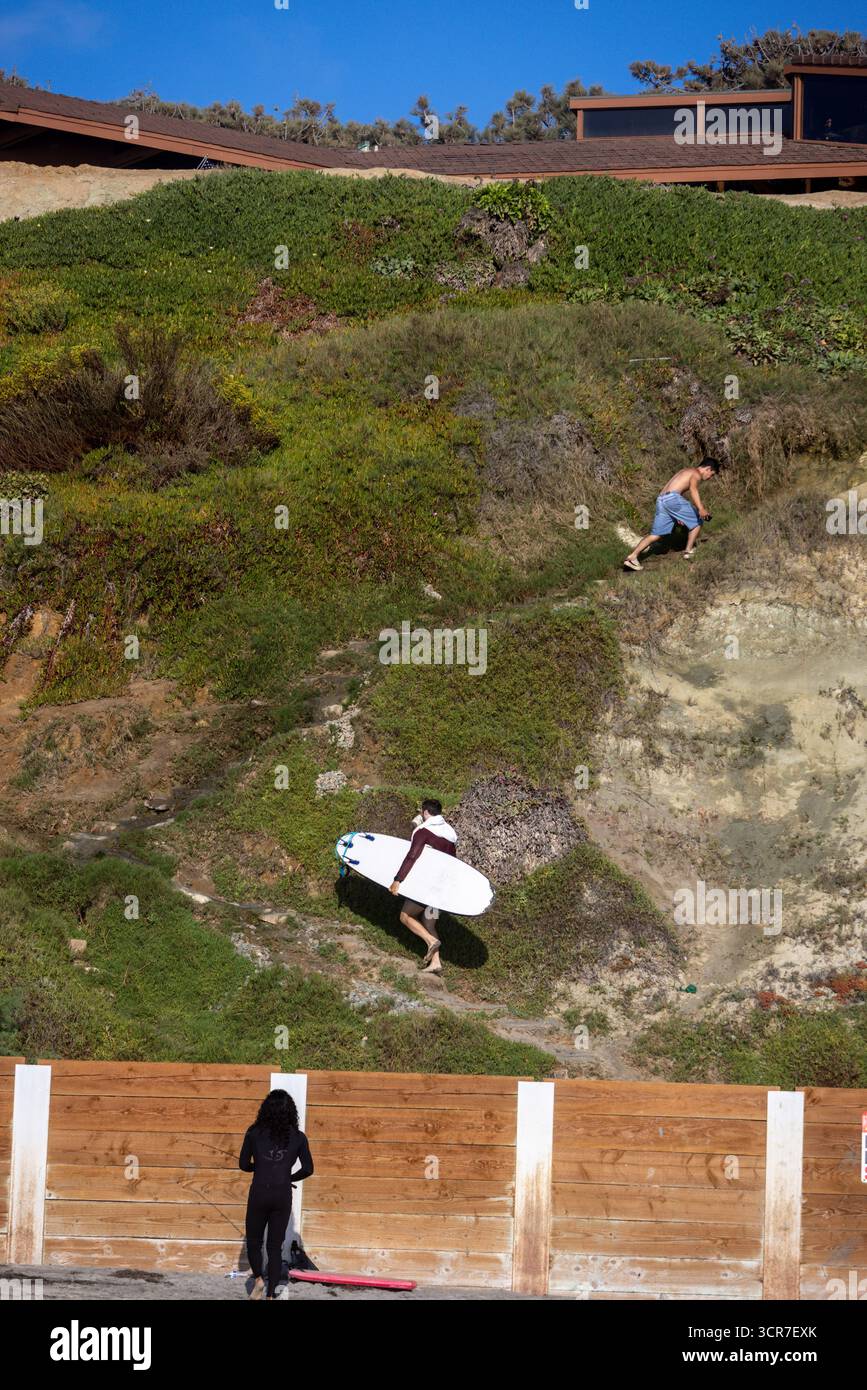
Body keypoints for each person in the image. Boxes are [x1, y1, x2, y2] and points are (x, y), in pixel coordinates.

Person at [239, 1089, 314, 1301]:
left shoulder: (253, 1132)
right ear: (291, 1111)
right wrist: (288, 1177)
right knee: (274, 1247)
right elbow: (308, 1168)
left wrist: (260, 1167)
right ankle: (271, 1296)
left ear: (265, 1110)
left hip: (259, 1192)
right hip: (282, 1194)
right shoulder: (299, 1138)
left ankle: (259, 1280)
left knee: (254, 1242)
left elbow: (243, 1164)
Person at [389, 798, 457, 976]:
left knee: (405, 916)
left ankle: (429, 941)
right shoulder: (450, 835)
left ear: (425, 812)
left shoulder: (423, 832)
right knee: (428, 921)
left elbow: (413, 855)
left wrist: (398, 879)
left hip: (425, 887)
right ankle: (436, 963)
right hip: (439, 890)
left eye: (421, 812)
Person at [624, 458, 721, 571]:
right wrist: (701, 508)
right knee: (698, 519)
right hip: (672, 499)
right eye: (712, 474)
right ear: (708, 469)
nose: (710, 478)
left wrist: (677, 515)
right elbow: (693, 490)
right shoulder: (696, 474)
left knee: (656, 534)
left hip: (661, 499)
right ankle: (688, 551)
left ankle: (632, 557)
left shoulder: (686, 470)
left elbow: (677, 490)